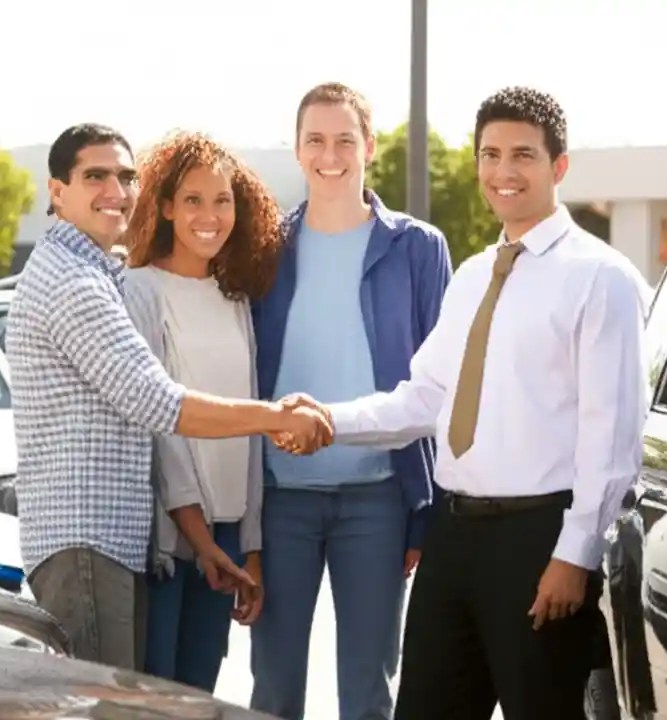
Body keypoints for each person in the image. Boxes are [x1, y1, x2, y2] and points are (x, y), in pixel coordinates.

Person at [281, 86, 652, 719]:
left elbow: (611, 435)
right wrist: (327, 420)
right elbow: (422, 397)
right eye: (490, 154)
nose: (503, 172)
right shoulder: (476, 274)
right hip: (454, 537)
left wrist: (574, 555)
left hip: (539, 538)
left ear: (558, 166)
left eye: (523, 156)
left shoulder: (601, 277)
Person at [3, 122, 330, 671]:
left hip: (107, 544)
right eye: (95, 176)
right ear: (57, 191)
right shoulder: (75, 284)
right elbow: (159, 403)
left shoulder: (95, 272)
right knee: (100, 713)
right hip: (86, 544)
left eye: (125, 176)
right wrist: (276, 418)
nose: (115, 190)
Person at [248, 82, 452, 720]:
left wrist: (425, 510)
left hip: (378, 499)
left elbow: (443, 388)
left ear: (369, 146)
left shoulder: (418, 249)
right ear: (298, 148)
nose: (329, 154)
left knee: (367, 695)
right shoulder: (263, 248)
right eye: (315, 139)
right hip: (281, 499)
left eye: (344, 139)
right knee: (275, 690)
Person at [119, 130, 285, 691]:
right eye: (193, 199)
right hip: (172, 541)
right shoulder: (137, 290)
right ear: (165, 207)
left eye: (222, 200)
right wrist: (199, 539)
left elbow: (251, 428)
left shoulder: (235, 300)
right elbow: (159, 421)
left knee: (199, 697)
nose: (209, 215)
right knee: (156, 695)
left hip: (228, 537)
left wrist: (250, 546)